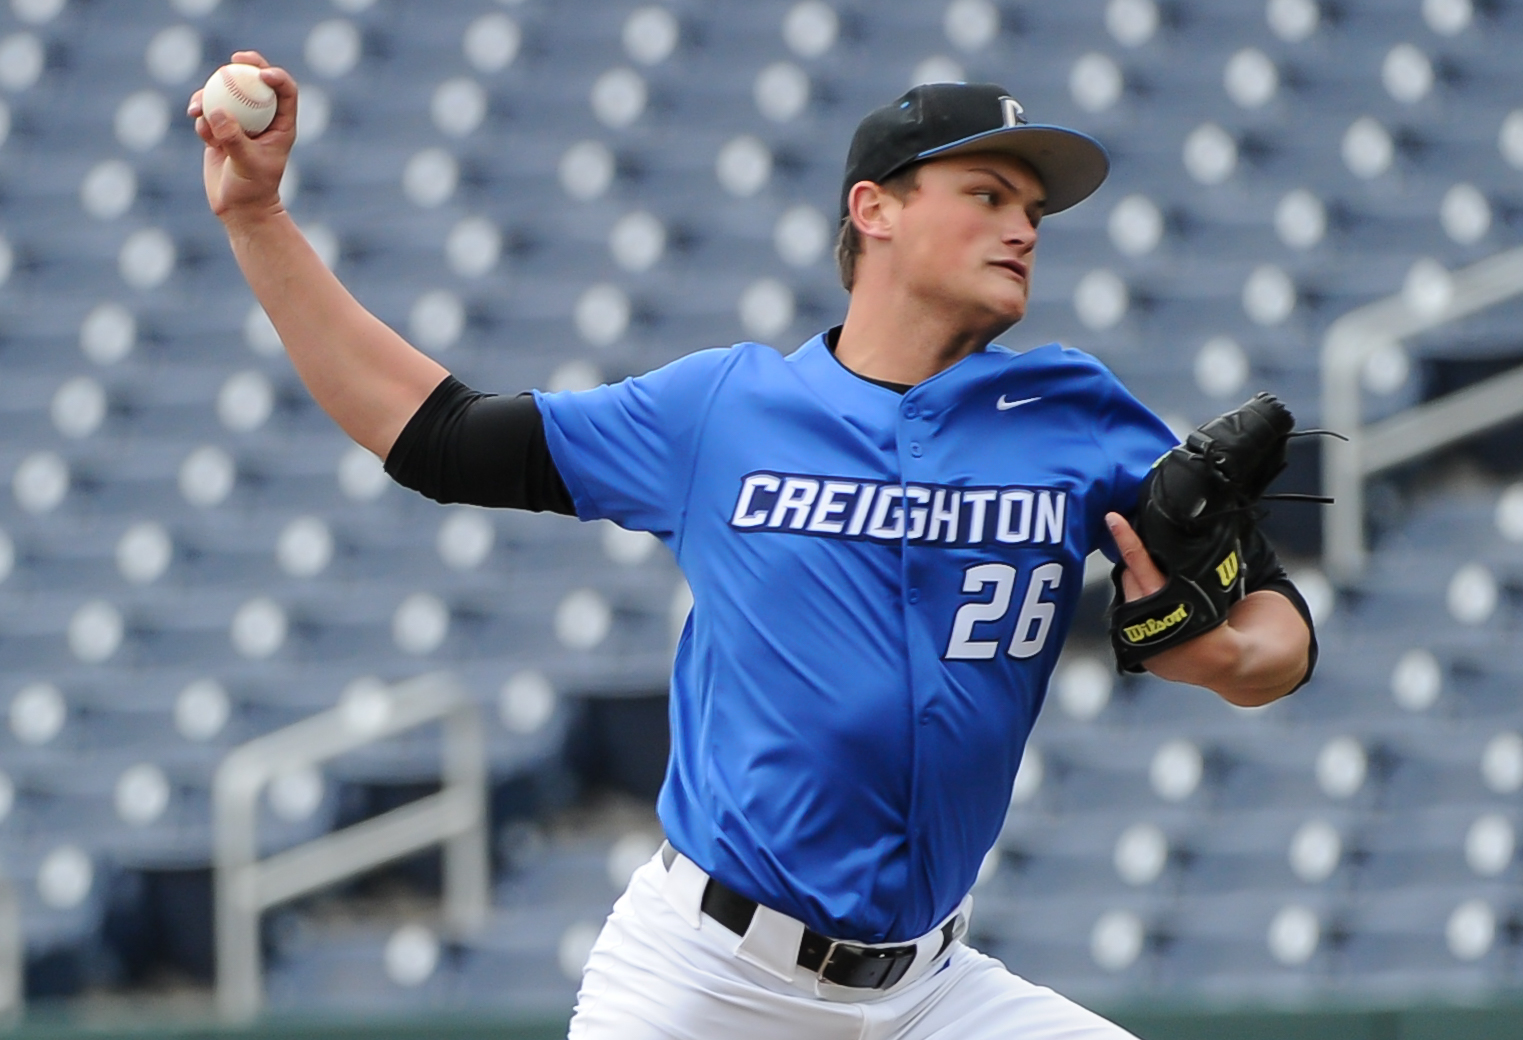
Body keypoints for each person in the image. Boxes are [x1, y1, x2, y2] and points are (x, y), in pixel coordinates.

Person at [191, 55, 1314, 1040]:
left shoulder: (1074, 411)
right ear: (874, 209)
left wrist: (1213, 652)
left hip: (931, 993)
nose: (1023, 227)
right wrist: (257, 220)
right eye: (986, 193)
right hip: (706, 982)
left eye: (1032, 208)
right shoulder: (724, 410)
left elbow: (1280, 629)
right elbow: (435, 434)